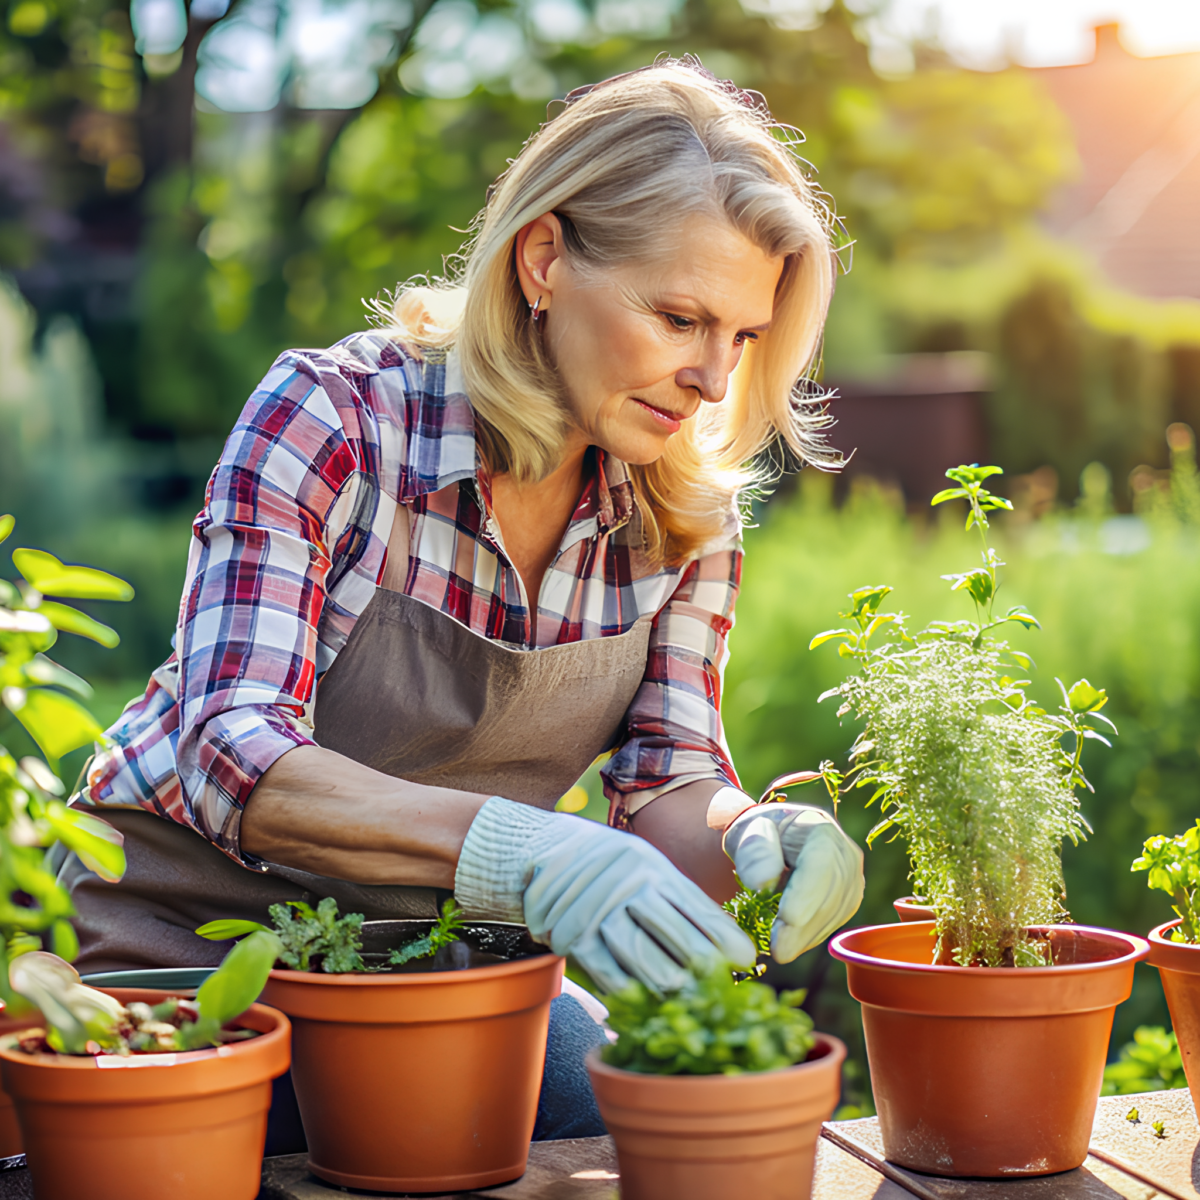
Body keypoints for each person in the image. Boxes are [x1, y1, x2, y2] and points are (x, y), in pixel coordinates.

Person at [66, 57, 863, 1140]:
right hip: (181, 955)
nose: (715, 380)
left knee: (622, 1135)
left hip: (436, 975)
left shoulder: (685, 512)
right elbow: (229, 750)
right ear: (543, 259)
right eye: (680, 318)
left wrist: (755, 834)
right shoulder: (337, 419)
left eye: (745, 336)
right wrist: (523, 854)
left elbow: (667, 777)